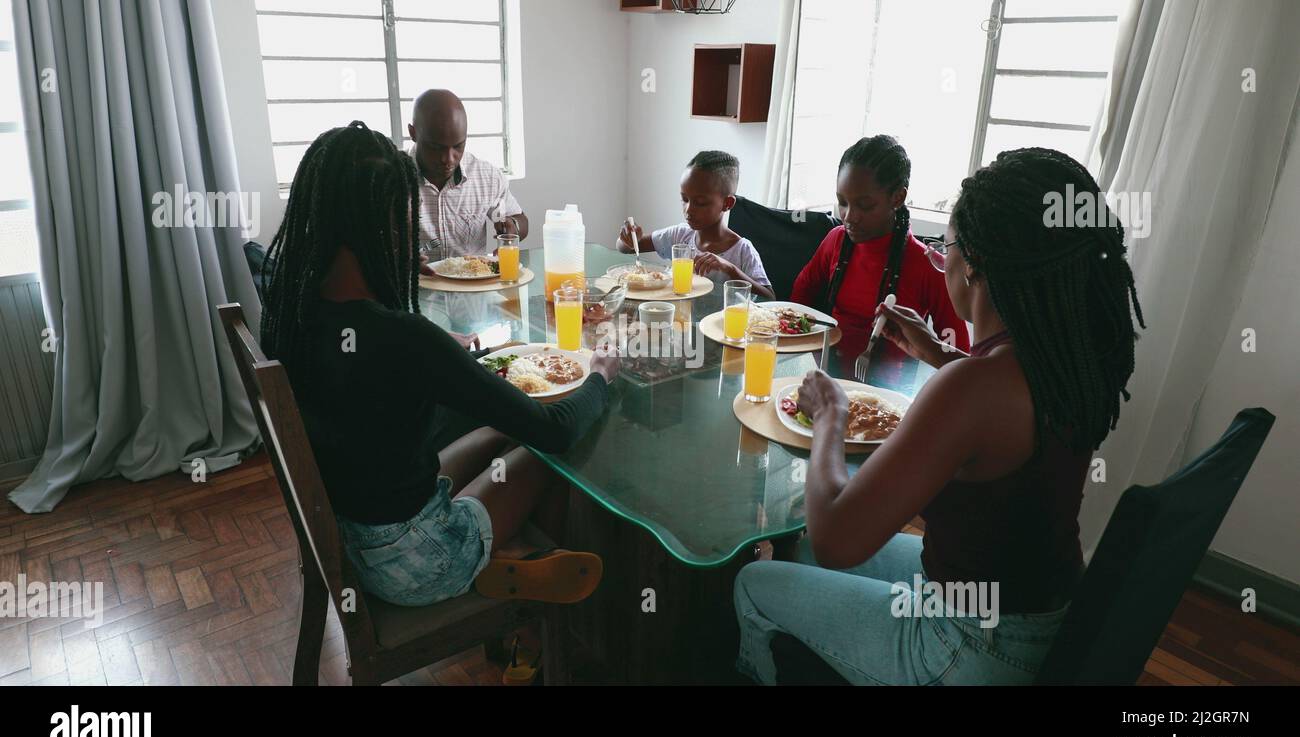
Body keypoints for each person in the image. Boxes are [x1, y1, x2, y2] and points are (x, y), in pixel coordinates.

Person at [734, 147, 1146, 684]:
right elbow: (1000, 418)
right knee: (796, 548)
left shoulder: (974, 387)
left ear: (972, 261)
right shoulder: (1066, 359)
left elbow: (836, 536)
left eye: (944, 245)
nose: (937, 257)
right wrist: (938, 354)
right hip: (1039, 616)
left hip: (972, 646)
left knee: (753, 581)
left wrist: (831, 414)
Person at [261, 121, 620, 608]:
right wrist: (598, 376)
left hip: (354, 531)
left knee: (501, 431)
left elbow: (378, 376)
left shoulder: (290, 306)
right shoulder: (401, 337)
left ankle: (515, 561)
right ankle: (532, 592)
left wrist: (442, 355)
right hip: (415, 560)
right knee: (549, 454)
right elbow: (553, 429)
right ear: (387, 224)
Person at [789, 136, 969, 376]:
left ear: (898, 197)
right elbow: (798, 300)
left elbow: (958, 356)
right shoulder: (836, 240)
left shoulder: (928, 266)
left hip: (887, 403)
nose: (849, 216)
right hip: (824, 382)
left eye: (864, 205)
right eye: (843, 202)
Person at [618, 150, 775, 299]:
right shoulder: (679, 235)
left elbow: (769, 298)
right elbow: (625, 249)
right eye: (685, 199)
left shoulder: (742, 250)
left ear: (727, 203)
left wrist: (729, 269)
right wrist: (629, 239)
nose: (689, 209)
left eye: (700, 203)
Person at [408, 89, 528, 267]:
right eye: (436, 147)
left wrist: (512, 227)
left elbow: (520, 220)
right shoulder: (390, 178)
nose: (448, 159)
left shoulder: (486, 178)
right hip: (413, 289)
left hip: (473, 290)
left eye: (458, 146)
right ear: (413, 133)